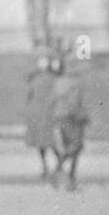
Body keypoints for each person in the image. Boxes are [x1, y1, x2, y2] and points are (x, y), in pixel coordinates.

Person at [48, 49, 88, 191]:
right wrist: (81, 115)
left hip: (61, 117)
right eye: (74, 64)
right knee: (75, 148)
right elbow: (74, 102)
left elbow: (53, 100)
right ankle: (64, 174)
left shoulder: (59, 81)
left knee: (71, 148)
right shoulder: (73, 82)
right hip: (71, 118)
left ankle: (64, 174)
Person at [24, 44, 58, 180]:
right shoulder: (35, 79)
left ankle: (55, 167)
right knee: (43, 143)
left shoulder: (54, 79)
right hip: (39, 114)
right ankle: (47, 167)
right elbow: (29, 96)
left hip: (48, 114)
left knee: (52, 143)